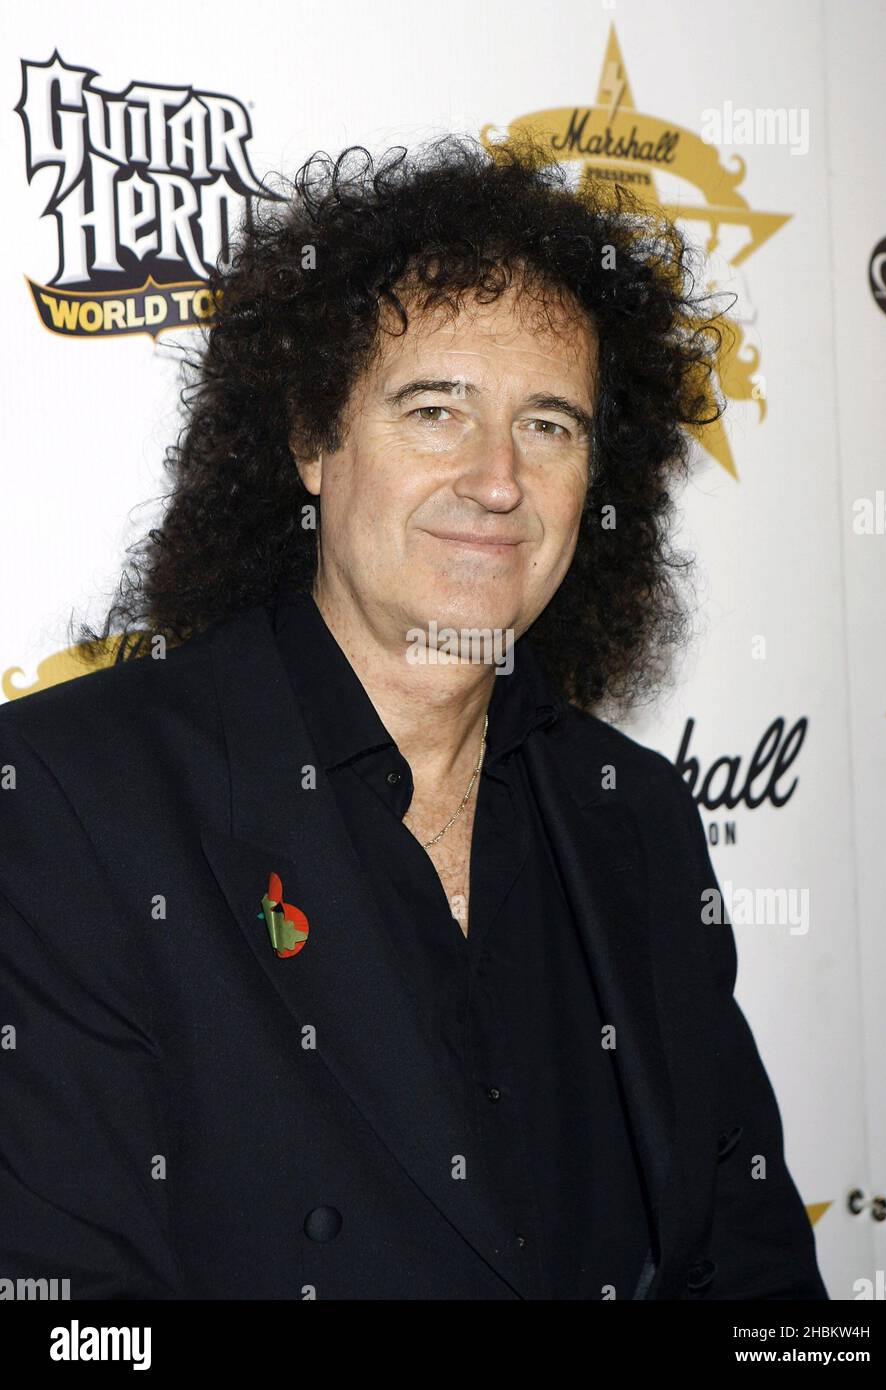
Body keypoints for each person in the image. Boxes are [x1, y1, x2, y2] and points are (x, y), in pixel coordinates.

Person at [0, 135, 827, 1300]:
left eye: (549, 424)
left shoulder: (631, 815)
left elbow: (752, 1280)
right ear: (309, 442)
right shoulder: (71, 796)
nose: (496, 479)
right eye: (435, 410)